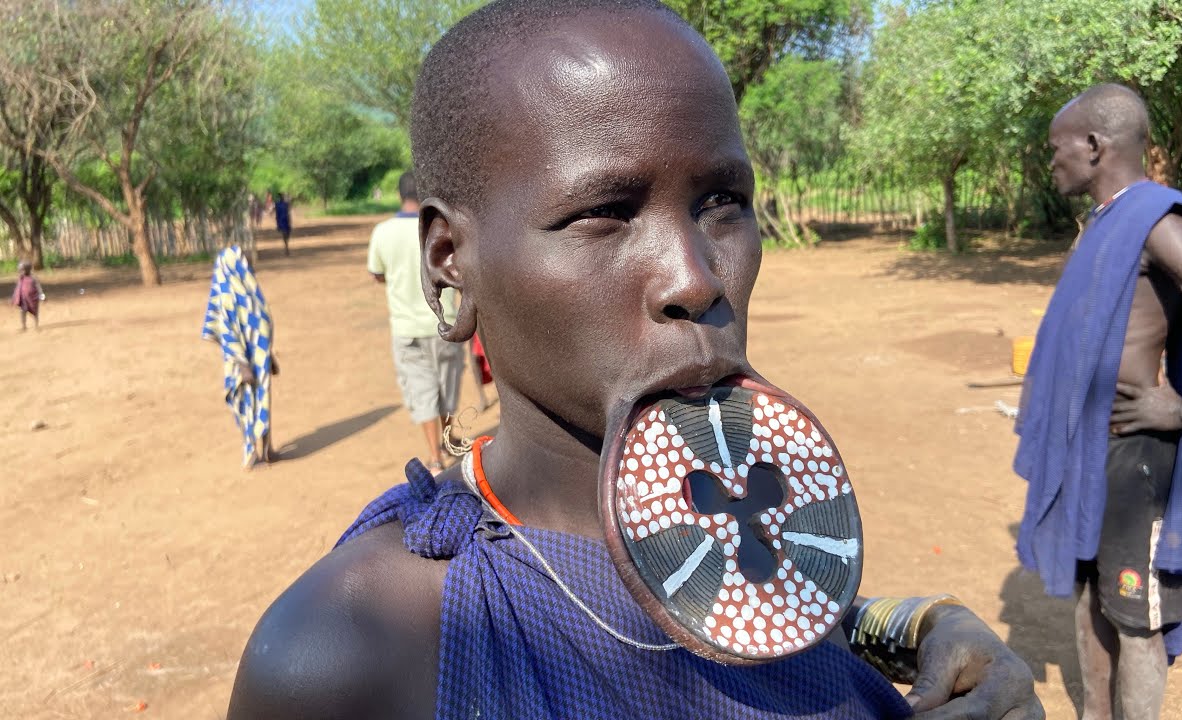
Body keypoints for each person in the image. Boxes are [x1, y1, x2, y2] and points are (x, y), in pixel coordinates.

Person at [227, 3, 1041, 719]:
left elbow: (779, 623)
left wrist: (920, 631)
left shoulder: (746, 516)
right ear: (449, 257)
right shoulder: (349, 652)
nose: (693, 276)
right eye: (605, 213)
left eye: (721, 201)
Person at [1014, 84, 1182, 720]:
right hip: (1090, 456)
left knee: (1136, 623)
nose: (1052, 161)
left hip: (1136, 460)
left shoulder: (1157, 220)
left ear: (1094, 146)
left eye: (1058, 149)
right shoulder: (1106, 223)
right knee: (1091, 607)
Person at [368, 171, 465, 472]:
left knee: (423, 390)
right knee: (447, 385)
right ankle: (450, 438)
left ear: (399, 195)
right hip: (444, 322)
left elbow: (376, 272)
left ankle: (435, 456)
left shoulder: (382, 232)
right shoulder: (442, 229)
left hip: (407, 328)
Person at [202, 245, 279, 469]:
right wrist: (242, 364)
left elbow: (260, 325)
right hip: (241, 363)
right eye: (245, 262)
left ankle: (268, 448)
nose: (250, 265)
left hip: (260, 359)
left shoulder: (249, 290)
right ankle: (250, 452)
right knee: (247, 404)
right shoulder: (227, 297)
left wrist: (269, 356)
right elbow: (226, 333)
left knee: (264, 401)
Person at [11, 260, 43, 331]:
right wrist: (14, 297)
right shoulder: (21, 278)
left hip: (33, 298)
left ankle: (36, 325)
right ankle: (24, 326)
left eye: (23, 270)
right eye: (20, 270)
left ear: (28, 269)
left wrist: (42, 295)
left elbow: (38, 286)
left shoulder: (33, 278)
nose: (21, 272)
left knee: (35, 312)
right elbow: (18, 288)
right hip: (24, 299)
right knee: (23, 311)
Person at [273, 192, 292, 256]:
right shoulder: (277, 204)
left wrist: (289, 221)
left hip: (286, 220)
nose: (282, 198)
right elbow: (277, 214)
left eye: (282, 196)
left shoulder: (286, 204)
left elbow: (288, 213)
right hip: (281, 221)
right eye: (281, 196)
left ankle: (286, 244)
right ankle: (286, 247)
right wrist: (277, 223)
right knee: (284, 233)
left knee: (288, 234)